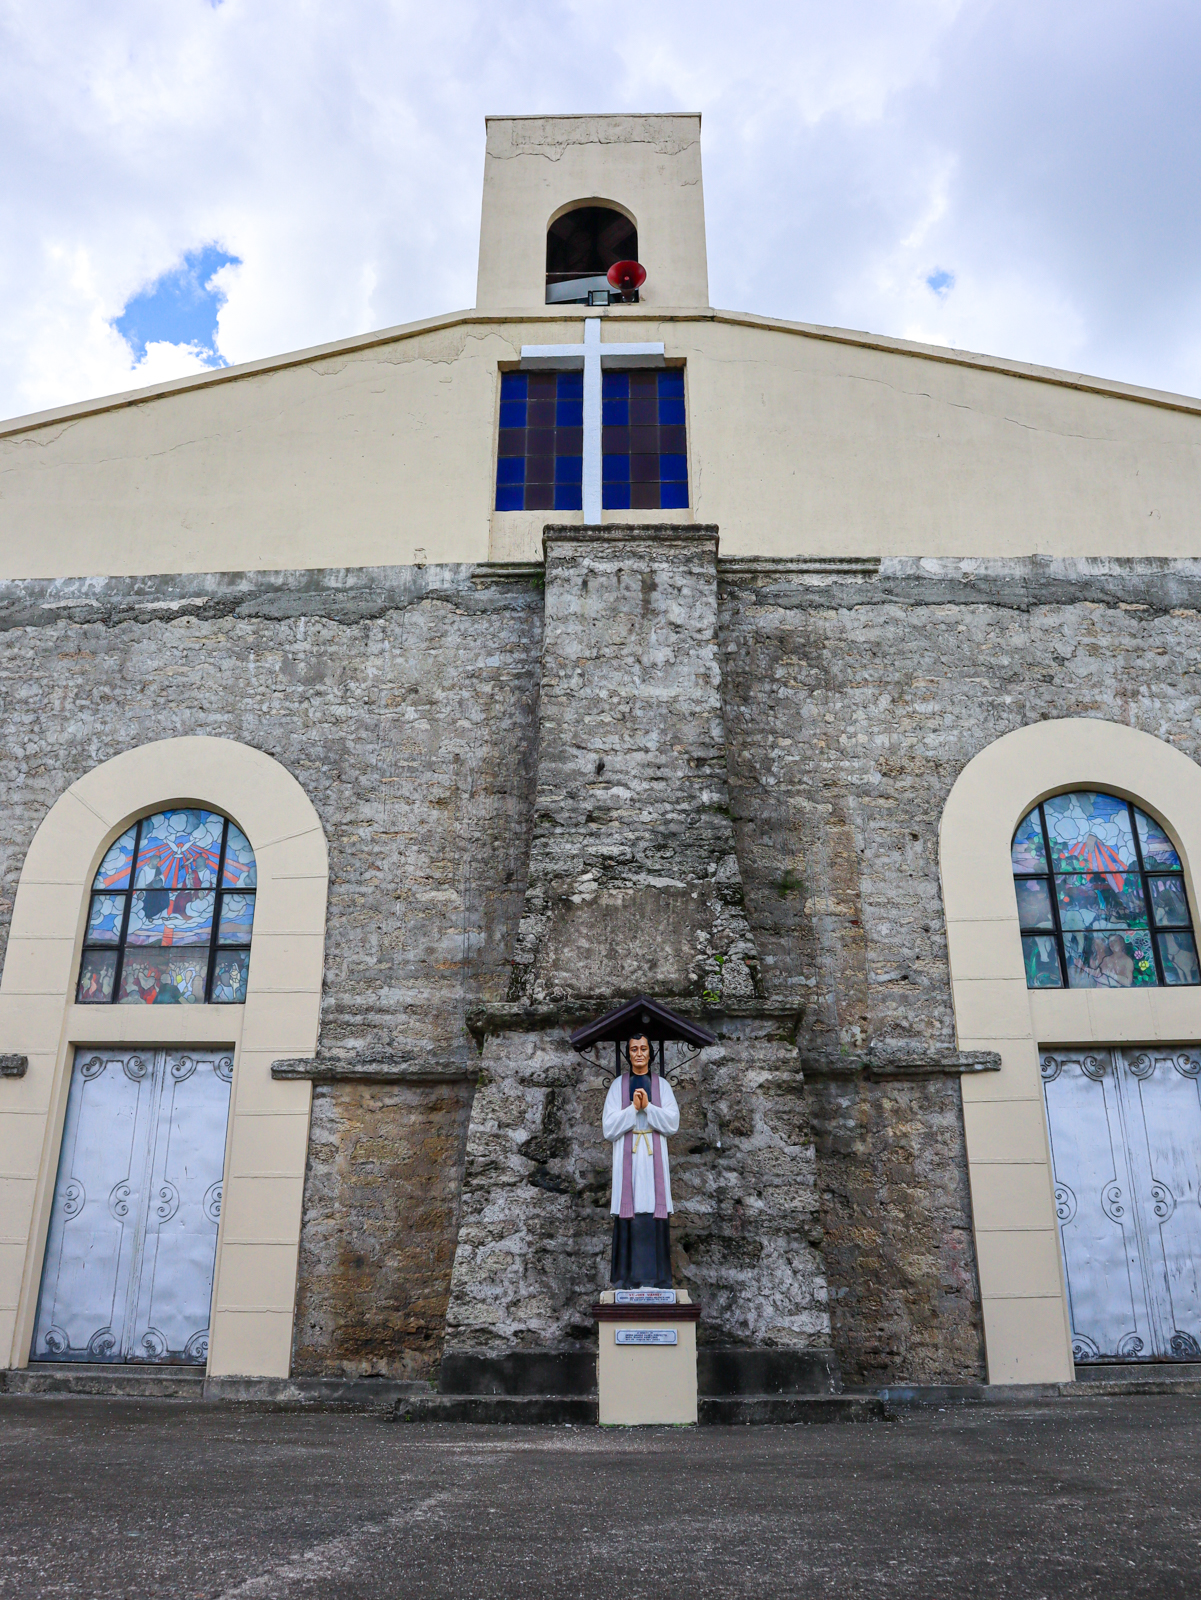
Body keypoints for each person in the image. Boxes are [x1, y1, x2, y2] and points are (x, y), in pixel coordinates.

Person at [602, 1034, 680, 1288]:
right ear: (628, 1054)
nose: (638, 1053)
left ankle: (658, 1279)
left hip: (652, 1155)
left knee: (652, 1207)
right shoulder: (617, 1086)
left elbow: (672, 1123)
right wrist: (633, 1110)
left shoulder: (662, 1086)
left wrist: (649, 1107)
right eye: (634, 1049)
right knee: (630, 1209)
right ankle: (626, 1278)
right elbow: (609, 1128)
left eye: (643, 1049)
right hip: (629, 1156)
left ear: (650, 1053)